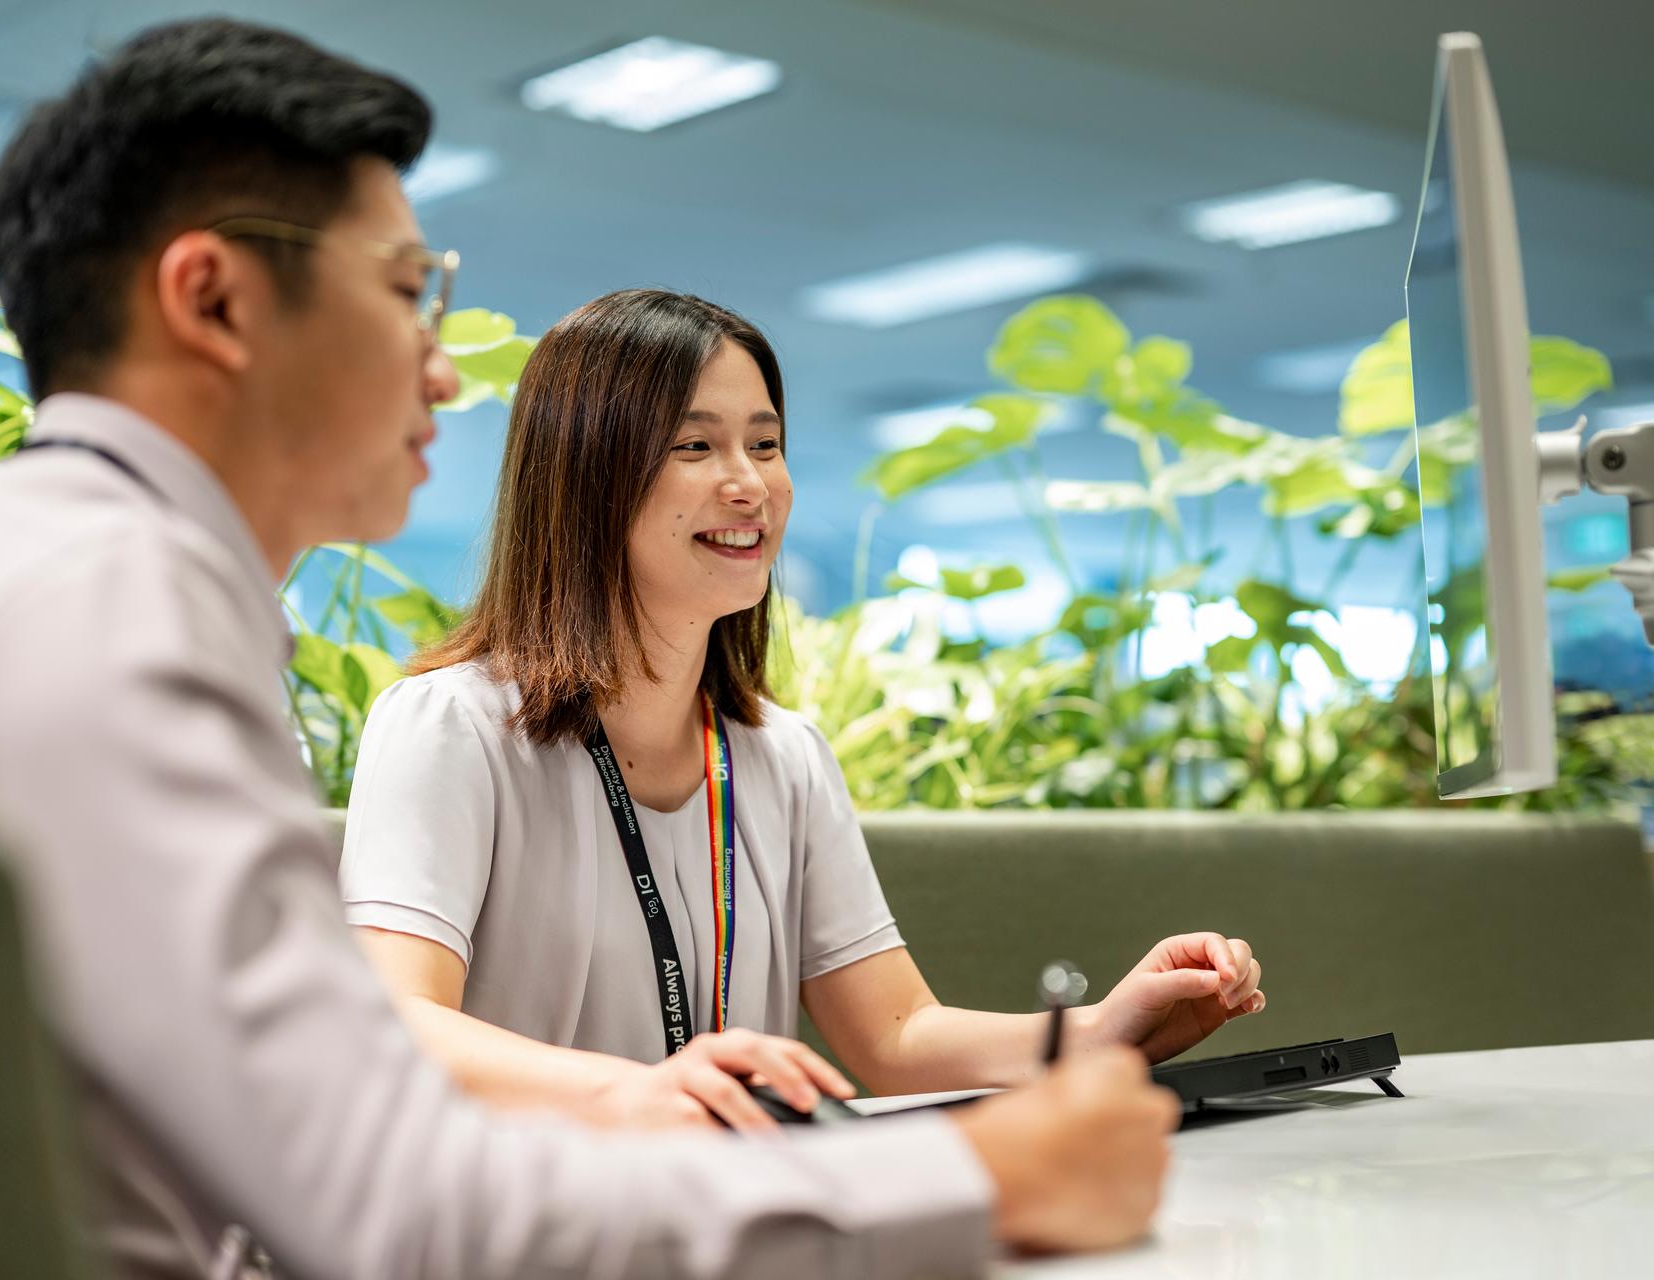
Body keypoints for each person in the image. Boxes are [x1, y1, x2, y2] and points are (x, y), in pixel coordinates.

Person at [0, 18, 1179, 1279]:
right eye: (404, 290)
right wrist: (965, 1188)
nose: (441, 363)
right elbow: (380, 1199)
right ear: (214, 298)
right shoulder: (102, 603)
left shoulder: (58, 564)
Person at [343, 288, 1267, 1131]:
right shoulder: (452, 726)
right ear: (586, 478)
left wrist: (1102, 1030)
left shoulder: (781, 754)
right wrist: (638, 1094)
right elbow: (398, 1022)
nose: (750, 483)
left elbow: (895, 1037)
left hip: (722, 1227)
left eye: (767, 443)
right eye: (694, 445)